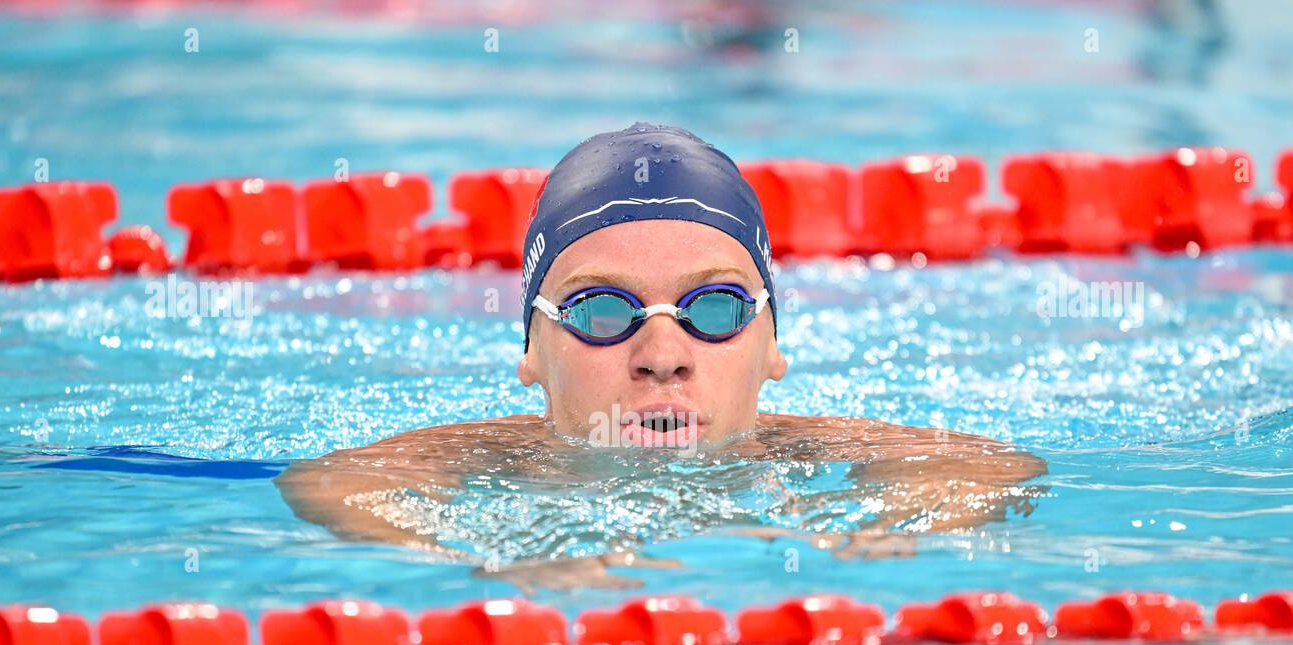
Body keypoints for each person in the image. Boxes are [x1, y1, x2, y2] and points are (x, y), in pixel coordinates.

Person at [277, 122, 1047, 591]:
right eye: (602, 310)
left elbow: (994, 467)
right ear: (532, 354)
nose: (662, 356)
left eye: (714, 308)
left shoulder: (811, 448)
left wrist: (888, 527)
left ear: (772, 346)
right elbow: (330, 482)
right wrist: (490, 550)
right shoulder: (497, 455)